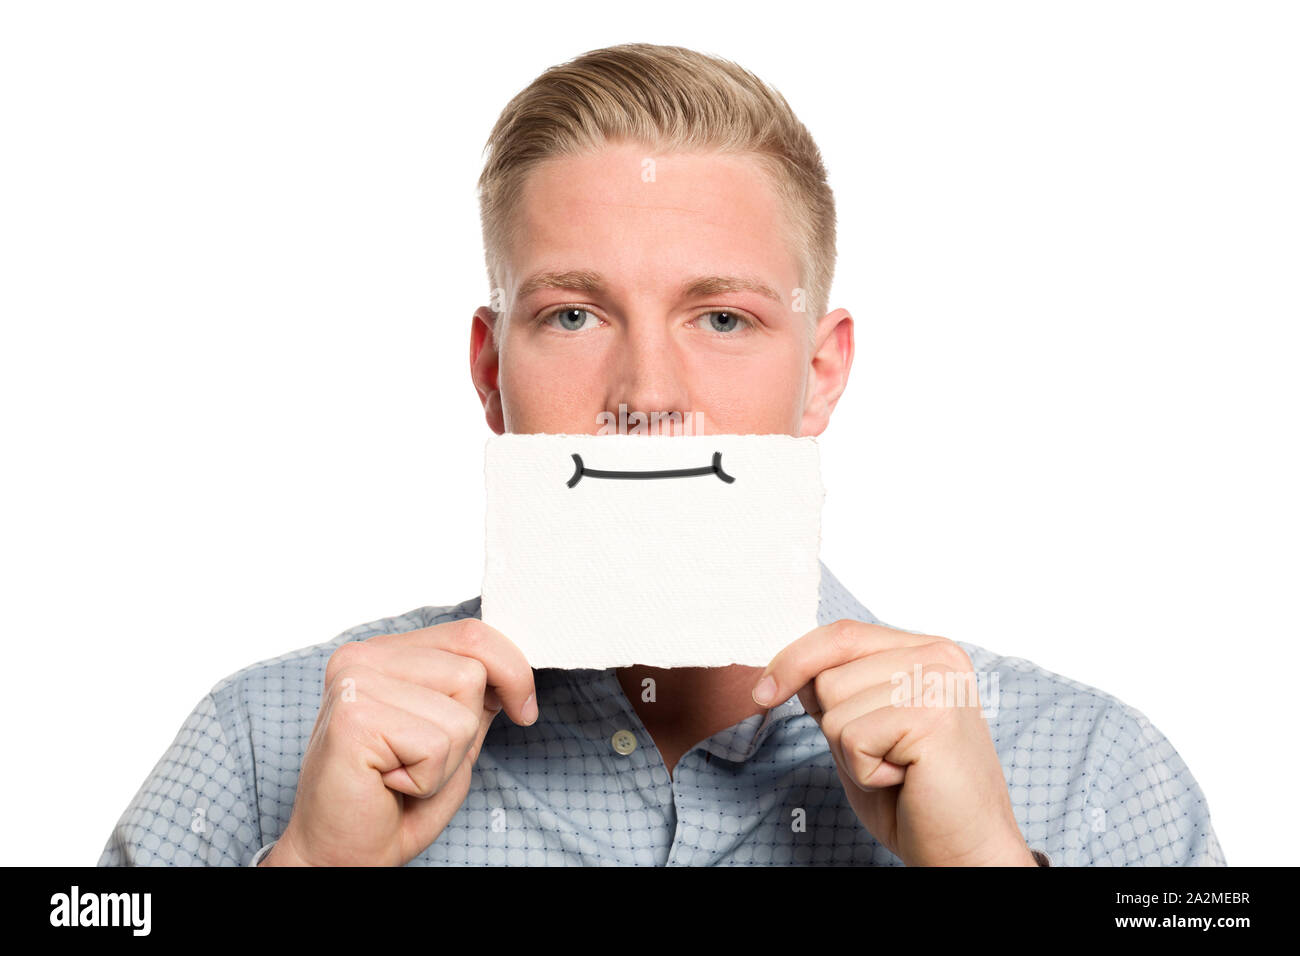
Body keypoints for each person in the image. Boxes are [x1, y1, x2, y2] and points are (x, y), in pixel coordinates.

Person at [98, 42, 1225, 867]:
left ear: (821, 370)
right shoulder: (264, 741)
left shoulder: (1090, 775)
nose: (646, 397)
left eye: (722, 318)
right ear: (491, 371)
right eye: (574, 317)